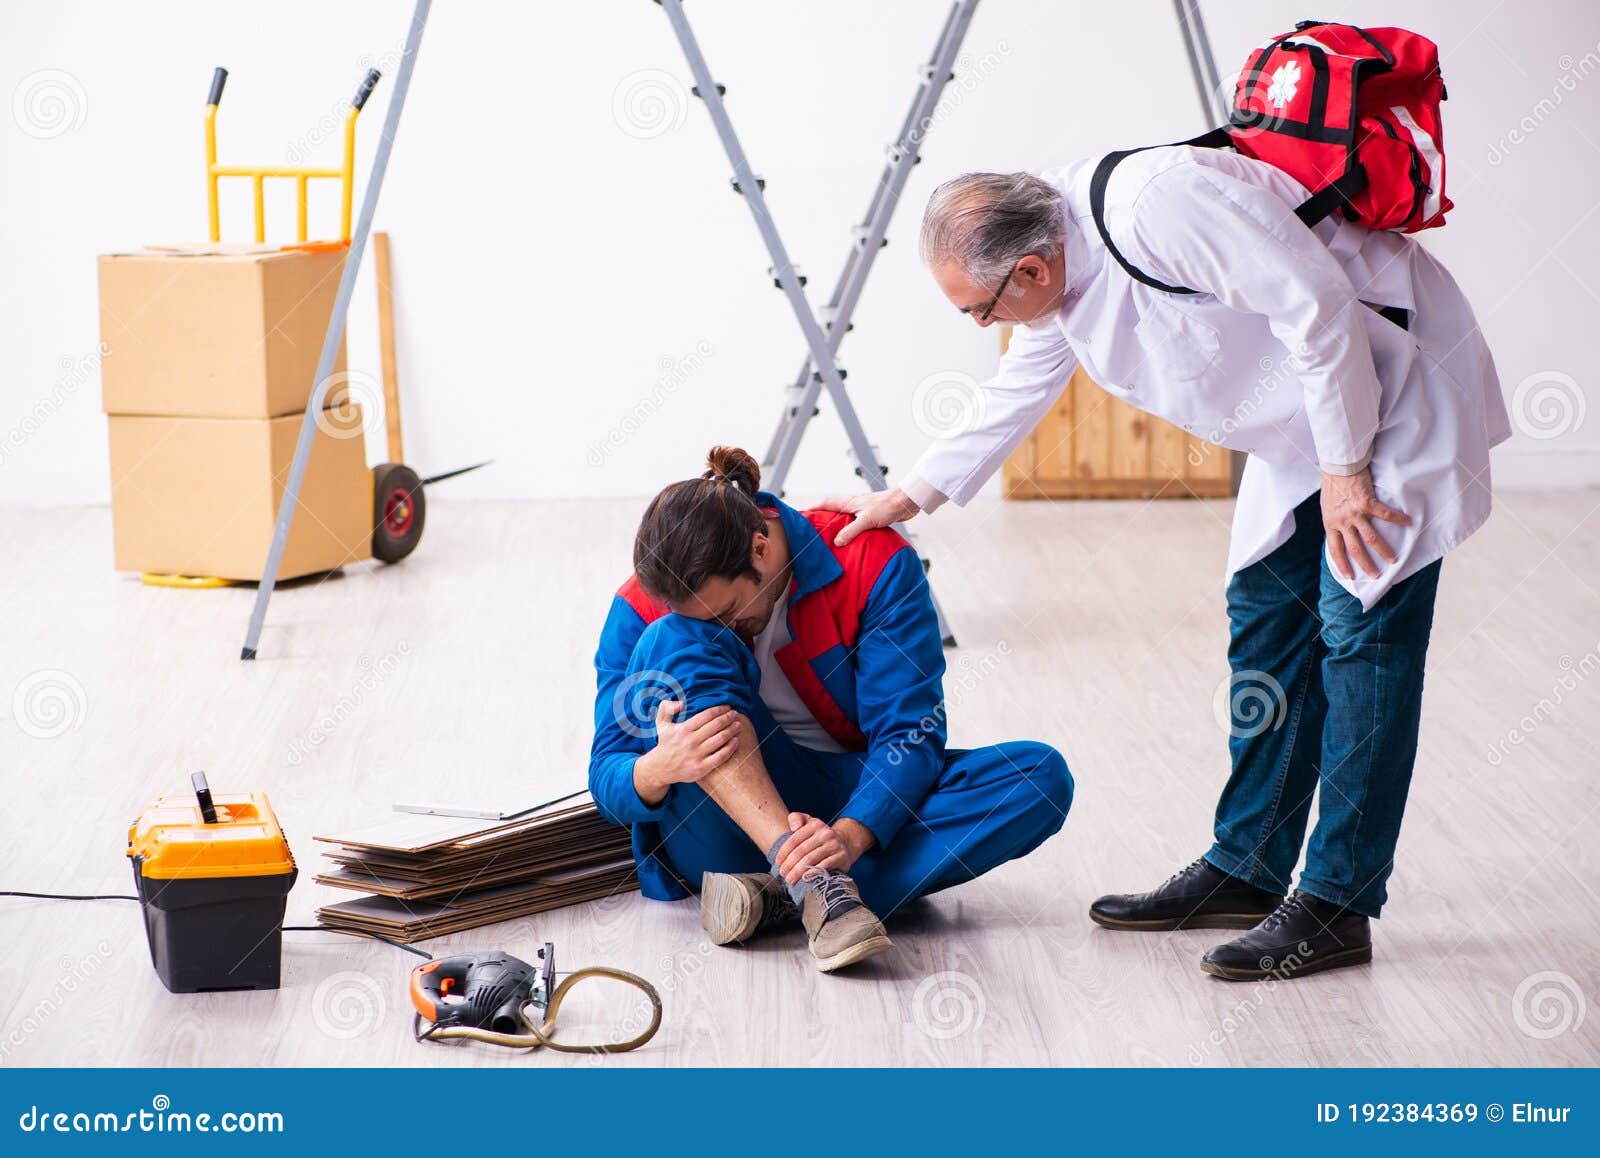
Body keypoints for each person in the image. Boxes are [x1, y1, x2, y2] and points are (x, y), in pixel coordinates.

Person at [822, 147, 1510, 980]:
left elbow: (1319, 305)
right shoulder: (1059, 269)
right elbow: (1023, 382)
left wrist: (1345, 468)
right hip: (1305, 425)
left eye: (979, 310)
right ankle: (1248, 866)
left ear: (1030, 269)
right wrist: (910, 495)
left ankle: (1337, 902)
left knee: (1362, 640)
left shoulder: (1158, 207)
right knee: (1267, 623)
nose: (983, 326)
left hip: (1391, 393)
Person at [589, 446, 1073, 973]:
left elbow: (908, 735)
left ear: (759, 547)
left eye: (726, 612)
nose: (721, 628)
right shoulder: (643, 605)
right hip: (718, 826)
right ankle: (812, 885)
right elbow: (606, 775)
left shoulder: (871, 561)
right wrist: (659, 768)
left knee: (1037, 778)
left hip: (838, 799)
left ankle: (778, 897)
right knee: (671, 638)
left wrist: (849, 835)